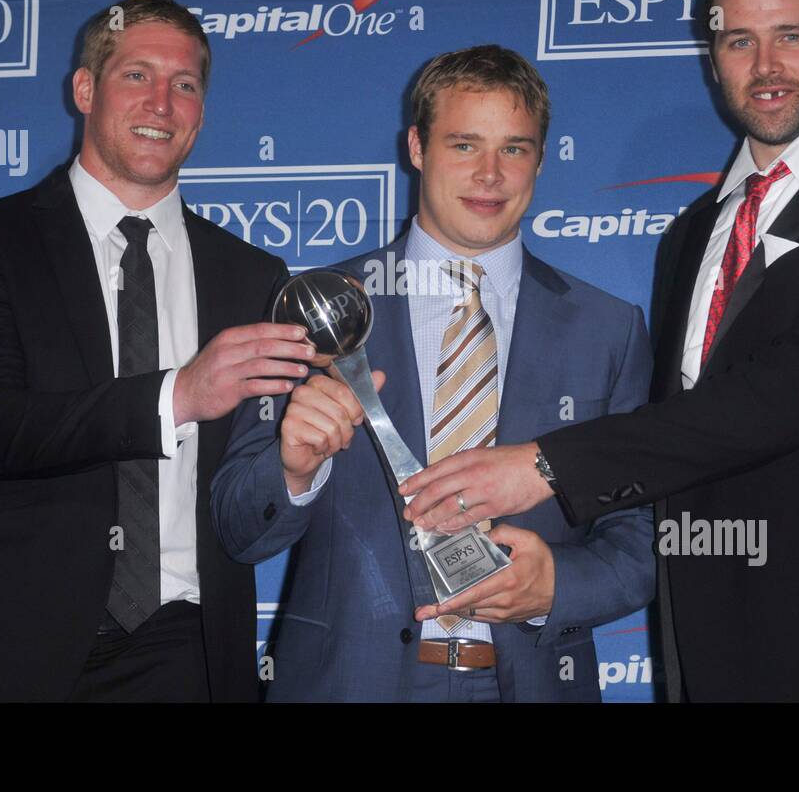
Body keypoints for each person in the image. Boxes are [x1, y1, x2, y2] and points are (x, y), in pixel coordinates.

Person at [401, 0, 799, 702]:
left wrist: (546, 464)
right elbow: (673, 439)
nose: (766, 65)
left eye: (791, 35)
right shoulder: (693, 233)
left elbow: (795, 391)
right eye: (738, 41)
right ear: (712, 57)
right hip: (712, 653)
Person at [0, 0, 316, 702]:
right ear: (85, 89)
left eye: (186, 84)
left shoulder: (253, 276)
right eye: (137, 75)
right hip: (4, 647)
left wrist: (297, 468)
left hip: (186, 653)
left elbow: (245, 500)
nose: (162, 103)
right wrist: (177, 396)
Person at [211, 45, 655, 702]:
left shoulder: (607, 329)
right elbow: (238, 528)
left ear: (540, 159)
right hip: (348, 684)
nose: (490, 174)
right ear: (417, 147)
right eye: (465, 145)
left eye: (515, 148)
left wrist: (555, 587)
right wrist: (296, 470)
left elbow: (641, 538)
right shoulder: (316, 311)